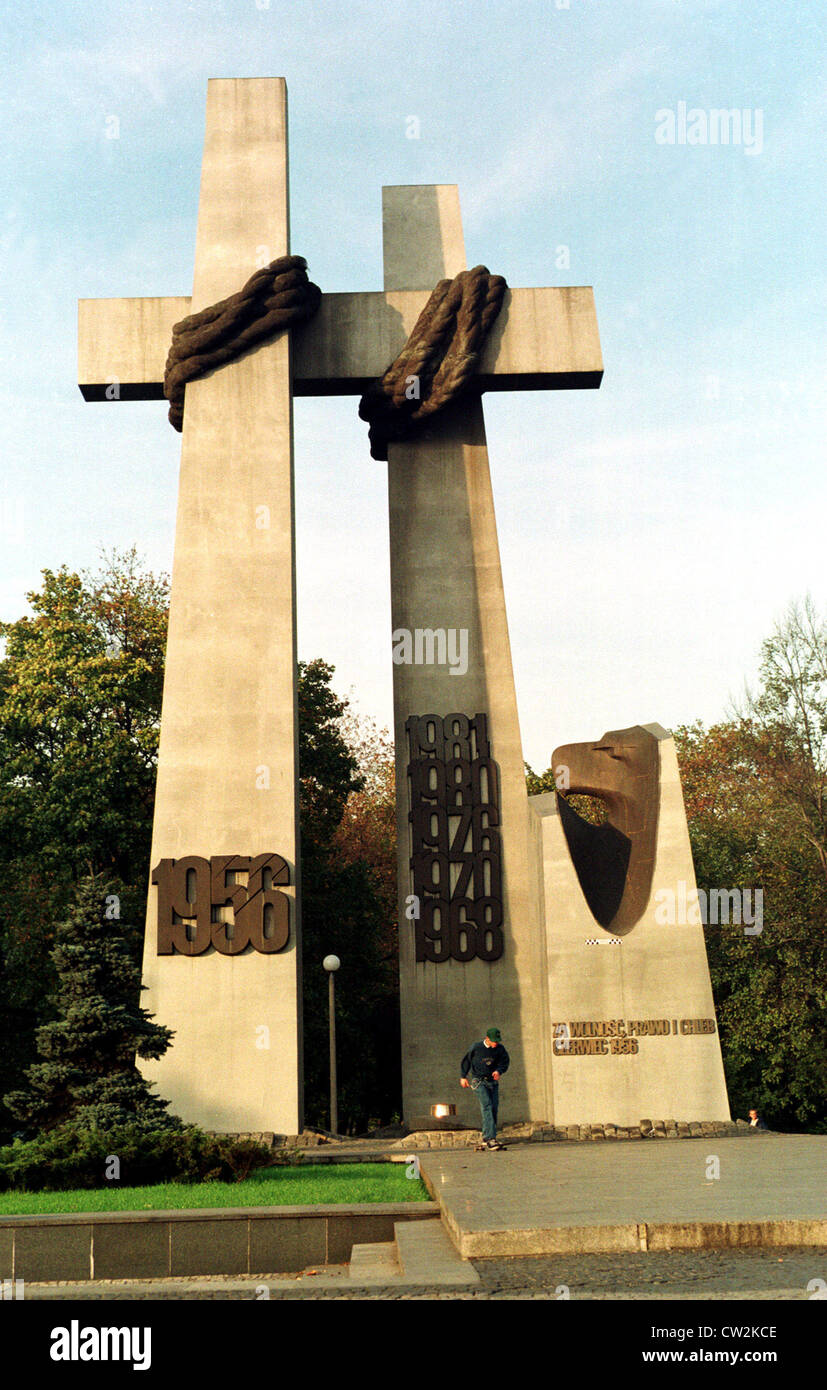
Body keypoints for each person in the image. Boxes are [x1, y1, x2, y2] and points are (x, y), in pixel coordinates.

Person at [461, 1028, 510, 1150]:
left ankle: (486, 1137)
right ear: (487, 1039)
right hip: (478, 1081)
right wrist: (463, 1077)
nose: (496, 1044)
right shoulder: (476, 1047)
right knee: (487, 1106)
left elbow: (505, 1062)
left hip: (492, 1081)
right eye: (494, 1041)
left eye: (497, 1041)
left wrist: (499, 1071)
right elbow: (466, 1061)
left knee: (493, 1108)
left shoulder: (500, 1049)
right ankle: (490, 1138)